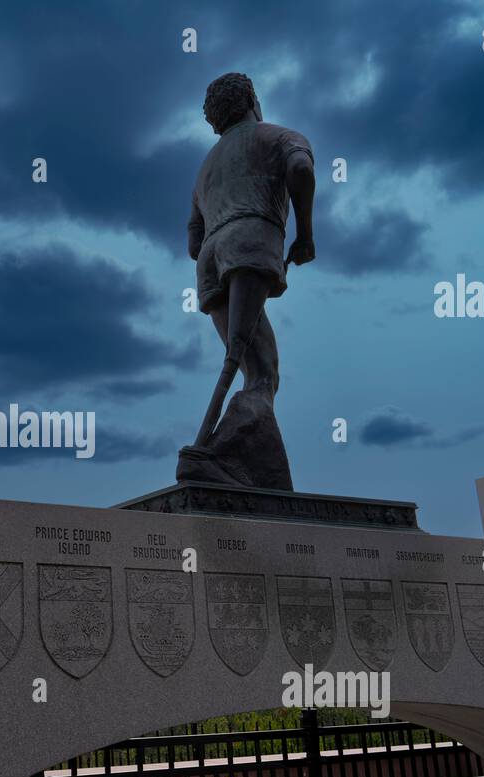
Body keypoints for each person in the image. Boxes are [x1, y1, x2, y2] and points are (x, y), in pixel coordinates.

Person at [179, 72, 316, 491]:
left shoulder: (206, 169)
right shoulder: (278, 136)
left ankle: (227, 459)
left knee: (251, 364)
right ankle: (219, 453)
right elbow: (301, 170)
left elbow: (192, 241)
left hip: (210, 261)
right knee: (260, 375)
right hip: (249, 241)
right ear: (254, 100)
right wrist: (305, 235)